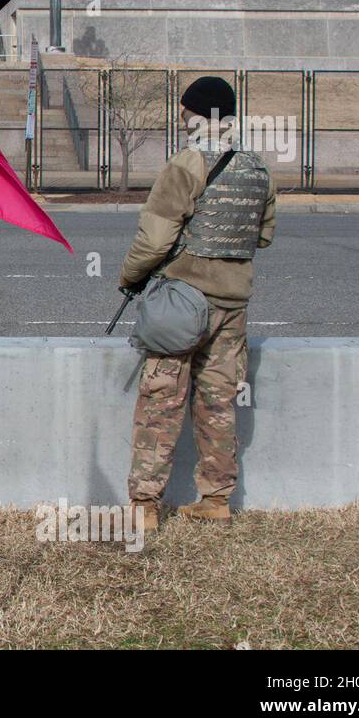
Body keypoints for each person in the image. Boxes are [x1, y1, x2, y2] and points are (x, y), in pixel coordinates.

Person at [121, 76, 276, 531]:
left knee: (161, 401)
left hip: (183, 301)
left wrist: (130, 277)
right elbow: (262, 236)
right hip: (233, 303)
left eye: (182, 109)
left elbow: (155, 238)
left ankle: (146, 506)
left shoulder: (186, 162)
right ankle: (216, 499)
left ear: (191, 113)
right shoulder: (256, 167)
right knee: (219, 402)